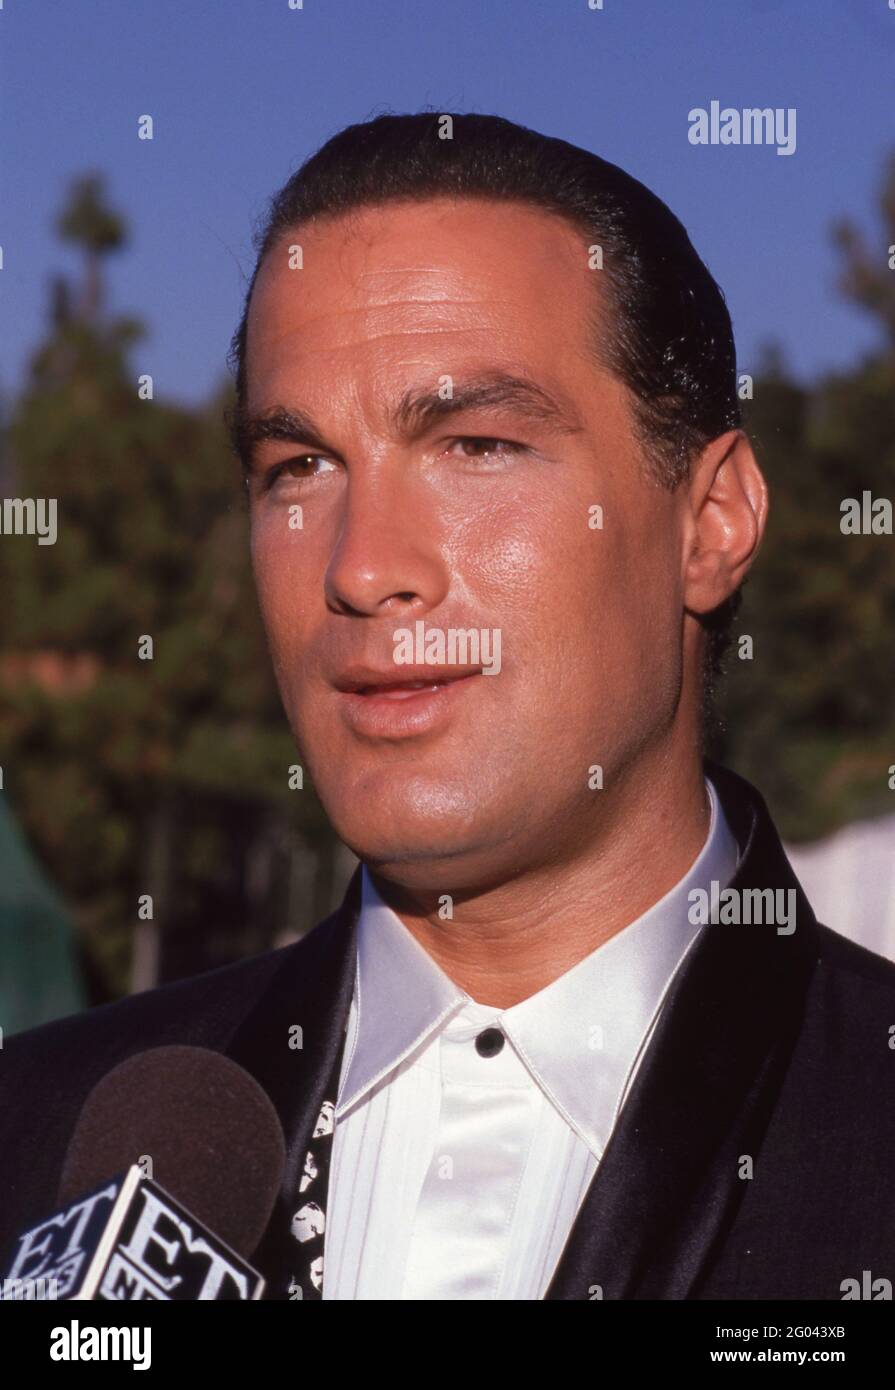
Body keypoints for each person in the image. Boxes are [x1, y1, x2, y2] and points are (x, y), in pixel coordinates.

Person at [1, 113, 893, 1301]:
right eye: (299, 468)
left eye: (475, 444)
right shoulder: (42, 1144)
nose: (362, 566)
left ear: (712, 521)